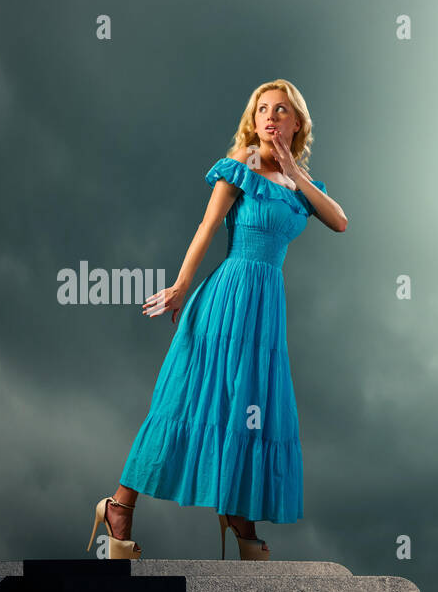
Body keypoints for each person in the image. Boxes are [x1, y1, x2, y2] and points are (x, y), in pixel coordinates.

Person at [86, 79, 347, 561]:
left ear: (297, 123)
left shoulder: (300, 189)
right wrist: (181, 288)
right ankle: (119, 506)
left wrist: (293, 170)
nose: (270, 117)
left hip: (265, 314)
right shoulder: (237, 169)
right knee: (185, 403)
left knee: (249, 407)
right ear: (254, 119)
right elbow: (206, 228)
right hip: (226, 301)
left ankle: (237, 514)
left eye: (282, 111)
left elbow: (340, 221)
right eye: (263, 109)